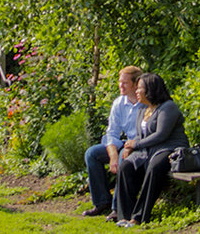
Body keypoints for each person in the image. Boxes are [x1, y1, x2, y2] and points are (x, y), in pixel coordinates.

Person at [114, 73, 189, 227]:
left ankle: (139, 216)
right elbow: (140, 136)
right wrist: (130, 148)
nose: (136, 91)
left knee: (154, 167)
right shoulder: (143, 110)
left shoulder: (168, 107)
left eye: (139, 88)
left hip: (168, 148)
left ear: (150, 89)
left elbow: (161, 135)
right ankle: (124, 216)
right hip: (148, 150)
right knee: (125, 166)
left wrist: (136, 145)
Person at [81, 66, 144, 218]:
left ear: (136, 84)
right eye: (119, 82)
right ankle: (102, 201)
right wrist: (112, 154)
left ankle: (117, 208)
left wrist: (127, 148)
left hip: (139, 144)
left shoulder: (146, 102)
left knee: (124, 158)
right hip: (124, 142)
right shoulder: (119, 103)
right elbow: (112, 132)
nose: (121, 86)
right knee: (92, 154)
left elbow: (147, 131)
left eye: (125, 83)